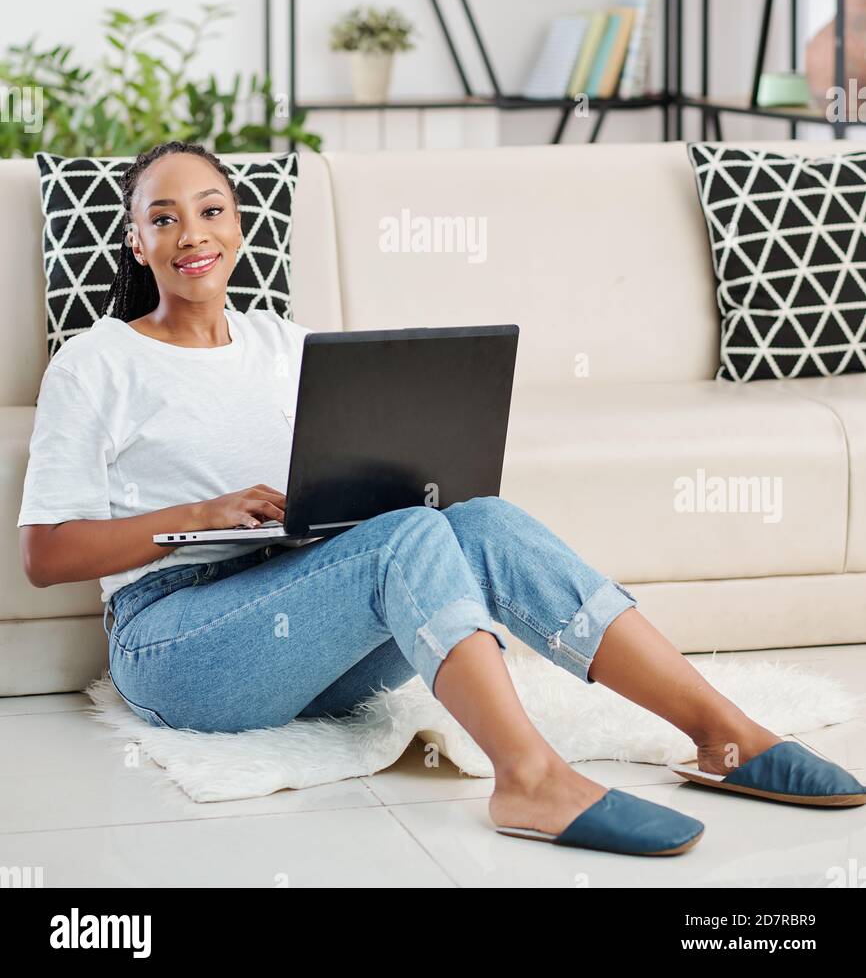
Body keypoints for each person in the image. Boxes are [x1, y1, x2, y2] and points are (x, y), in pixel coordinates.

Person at [18, 141, 858, 860]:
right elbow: (46, 557)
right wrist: (200, 513)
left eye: (210, 210)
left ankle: (724, 735)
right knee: (404, 540)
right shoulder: (97, 364)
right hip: (178, 645)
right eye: (163, 218)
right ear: (135, 243)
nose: (191, 234)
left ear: (240, 225)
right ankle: (529, 778)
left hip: (309, 628)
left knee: (476, 521)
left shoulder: (288, 345)